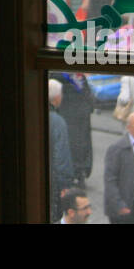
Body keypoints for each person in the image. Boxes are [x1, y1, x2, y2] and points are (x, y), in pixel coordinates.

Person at [55, 71, 95, 183]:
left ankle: (75, 170)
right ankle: (81, 170)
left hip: (68, 113)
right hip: (81, 114)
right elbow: (87, 93)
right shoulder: (77, 76)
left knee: (70, 142)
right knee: (82, 143)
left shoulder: (58, 75)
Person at [49, 79, 76, 221]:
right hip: (54, 183)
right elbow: (61, 155)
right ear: (57, 98)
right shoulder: (57, 121)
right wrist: (65, 183)